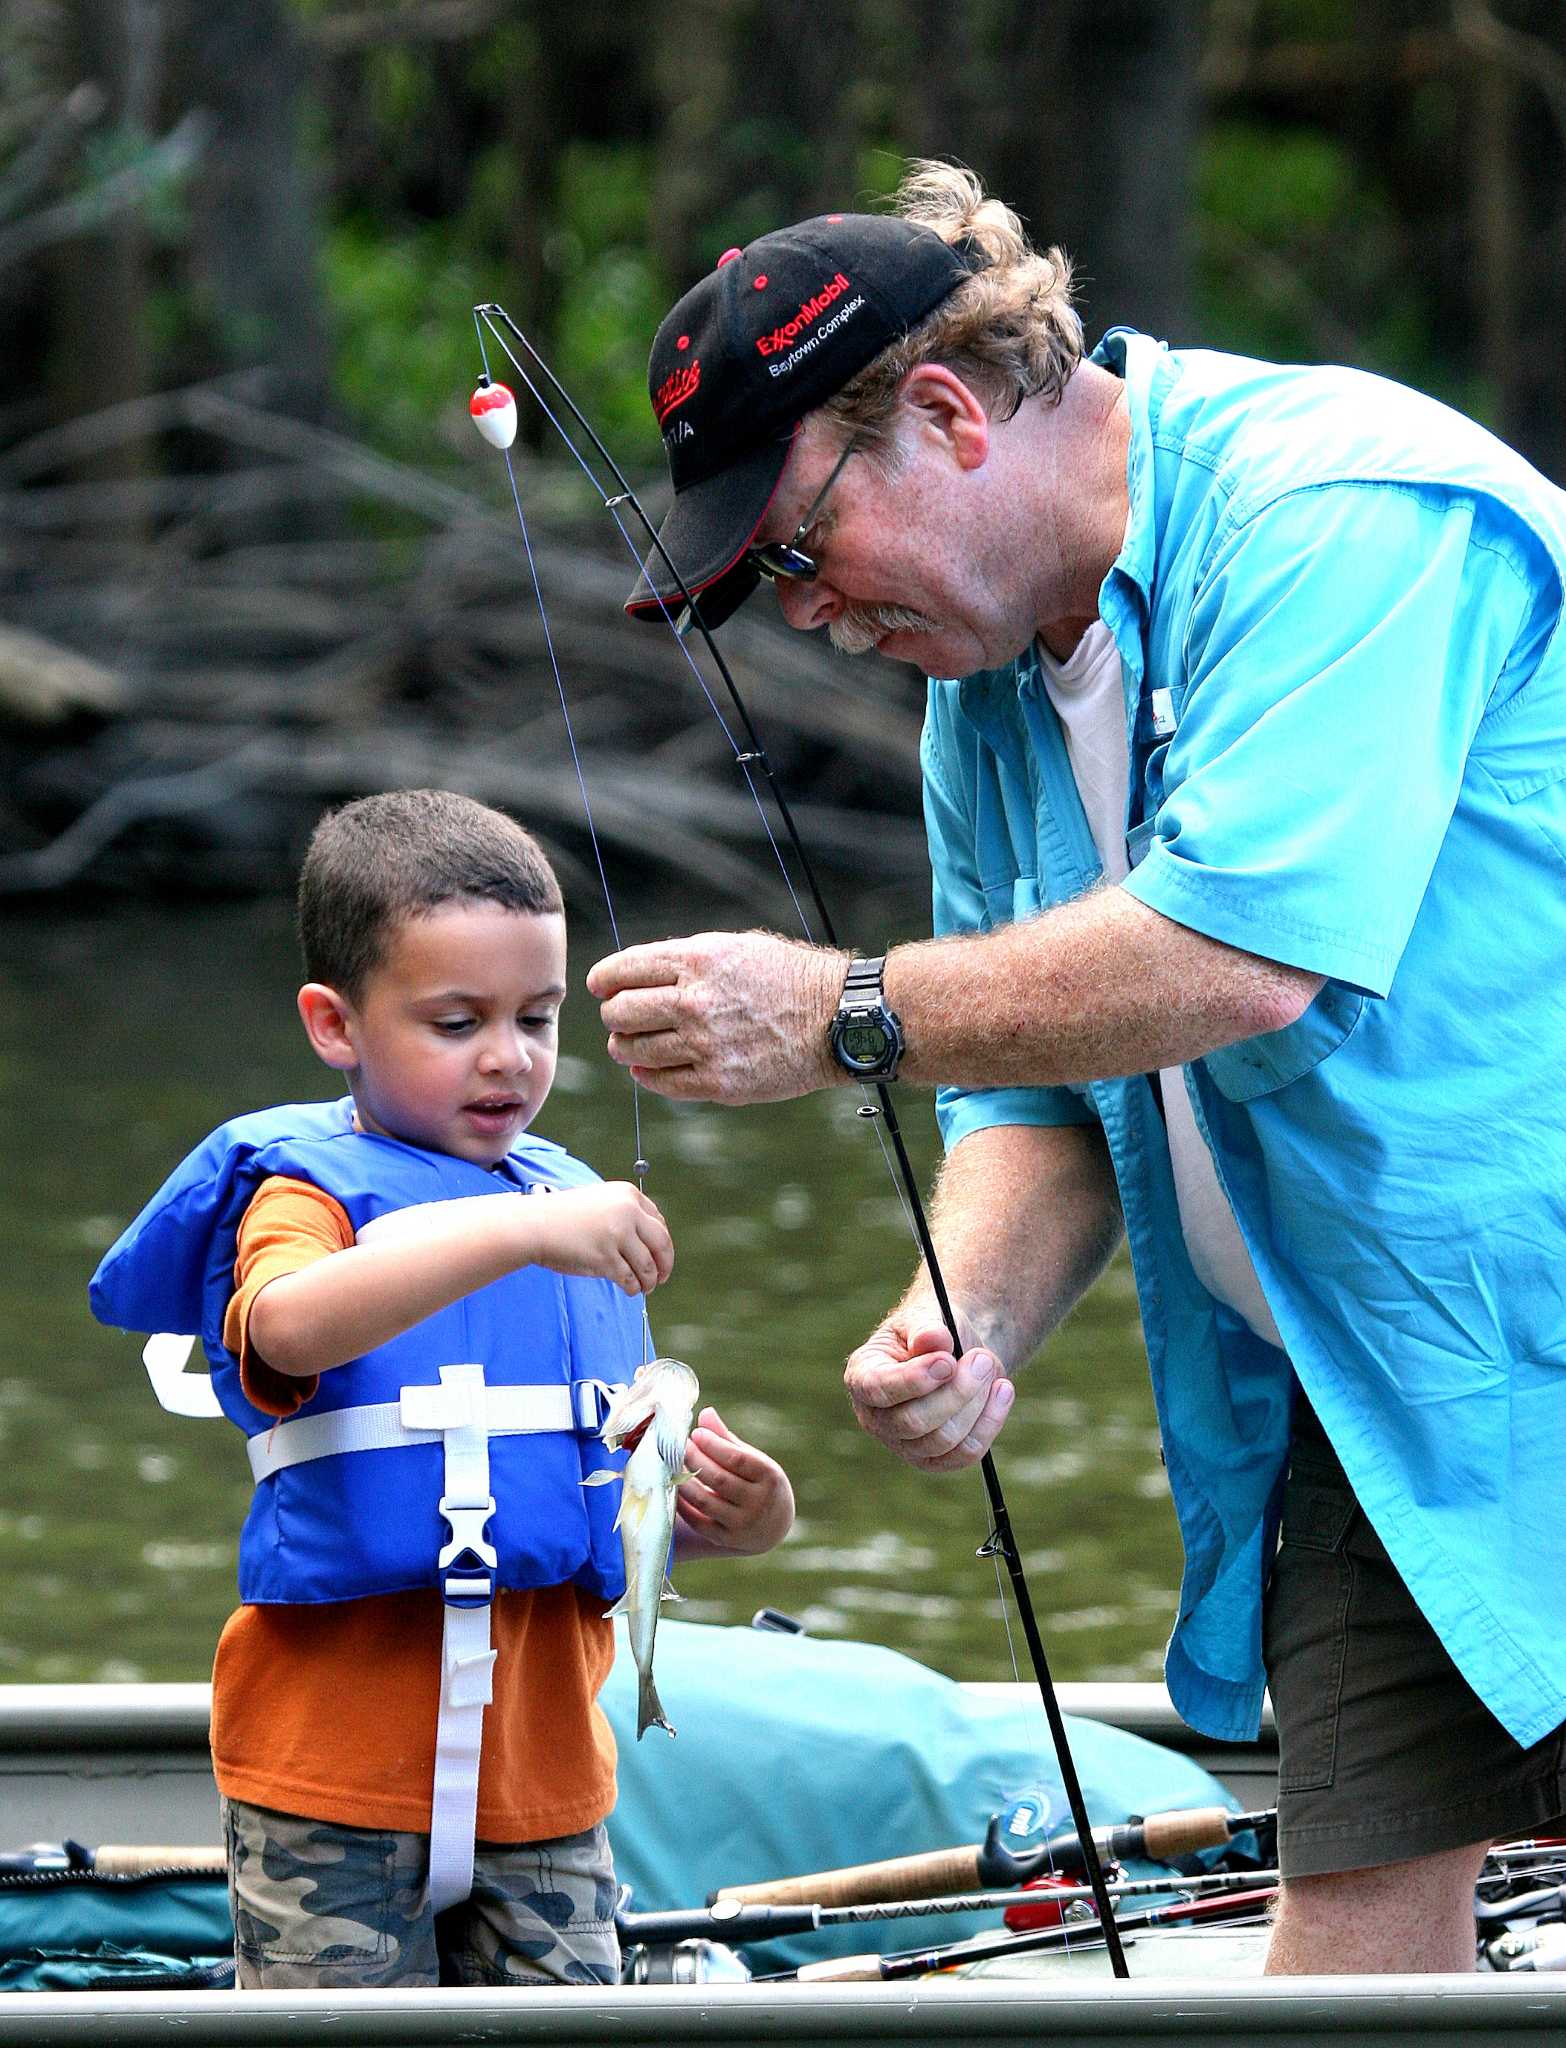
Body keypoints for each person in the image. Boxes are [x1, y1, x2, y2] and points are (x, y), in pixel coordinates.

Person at [588, 160, 1566, 1974]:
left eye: (793, 554)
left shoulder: (1335, 510)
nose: (803, 616)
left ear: (947, 415)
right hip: (1375, 1386)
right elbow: (1038, 1083)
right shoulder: (984, 695)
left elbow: (1241, 956)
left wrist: (833, 1009)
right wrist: (968, 1311)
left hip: (1537, 1340)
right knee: (1352, 1956)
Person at [90, 789, 794, 1990]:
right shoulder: (308, 1195)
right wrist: (518, 1231)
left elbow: (606, 1497)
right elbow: (290, 1321)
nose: (508, 1057)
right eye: (457, 1019)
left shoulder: (569, 1209)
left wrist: (749, 1511)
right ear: (334, 1023)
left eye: (536, 1016)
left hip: (548, 1792)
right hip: (328, 1795)